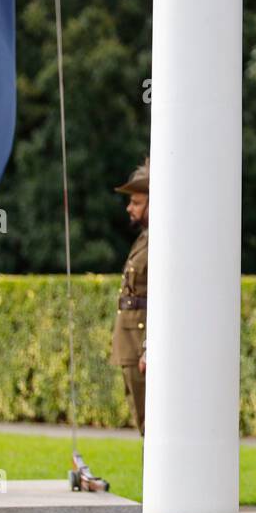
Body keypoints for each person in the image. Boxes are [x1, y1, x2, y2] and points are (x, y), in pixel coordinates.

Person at [112, 158, 149, 436]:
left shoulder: (159, 240)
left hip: (140, 342)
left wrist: (149, 346)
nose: (130, 207)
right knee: (143, 422)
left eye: (137, 202)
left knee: (150, 425)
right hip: (129, 340)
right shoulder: (144, 239)